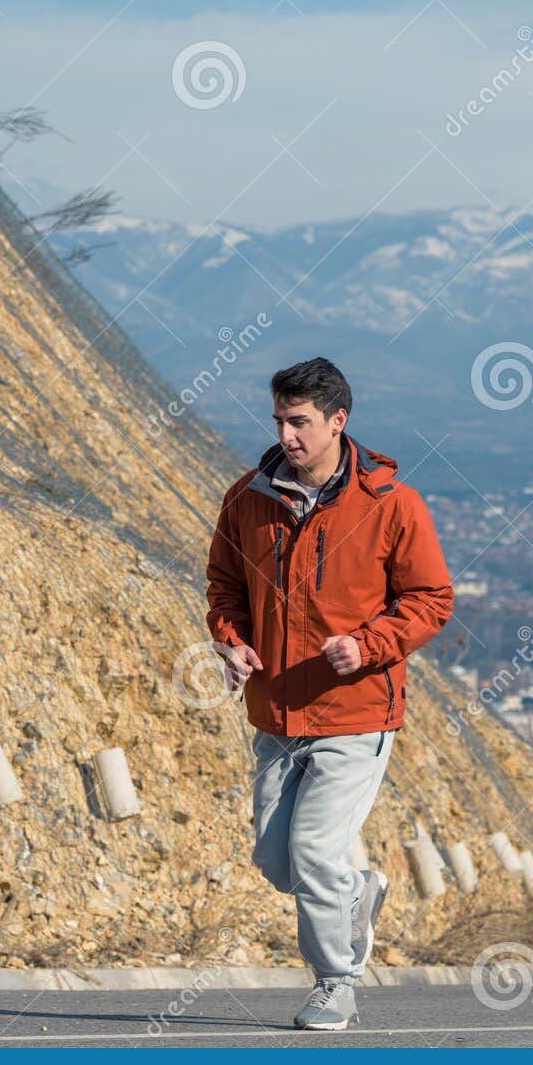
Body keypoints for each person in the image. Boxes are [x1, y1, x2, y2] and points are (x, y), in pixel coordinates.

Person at [205, 357, 454, 1030]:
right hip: (278, 710)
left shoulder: (390, 505)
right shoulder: (247, 498)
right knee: (277, 858)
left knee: (314, 850)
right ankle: (357, 891)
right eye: (280, 419)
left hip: (356, 711)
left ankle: (336, 983)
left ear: (338, 421)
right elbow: (224, 586)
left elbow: (432, 597)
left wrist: (368, 645)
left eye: (301, 421)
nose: (287, 434)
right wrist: (231, 639)